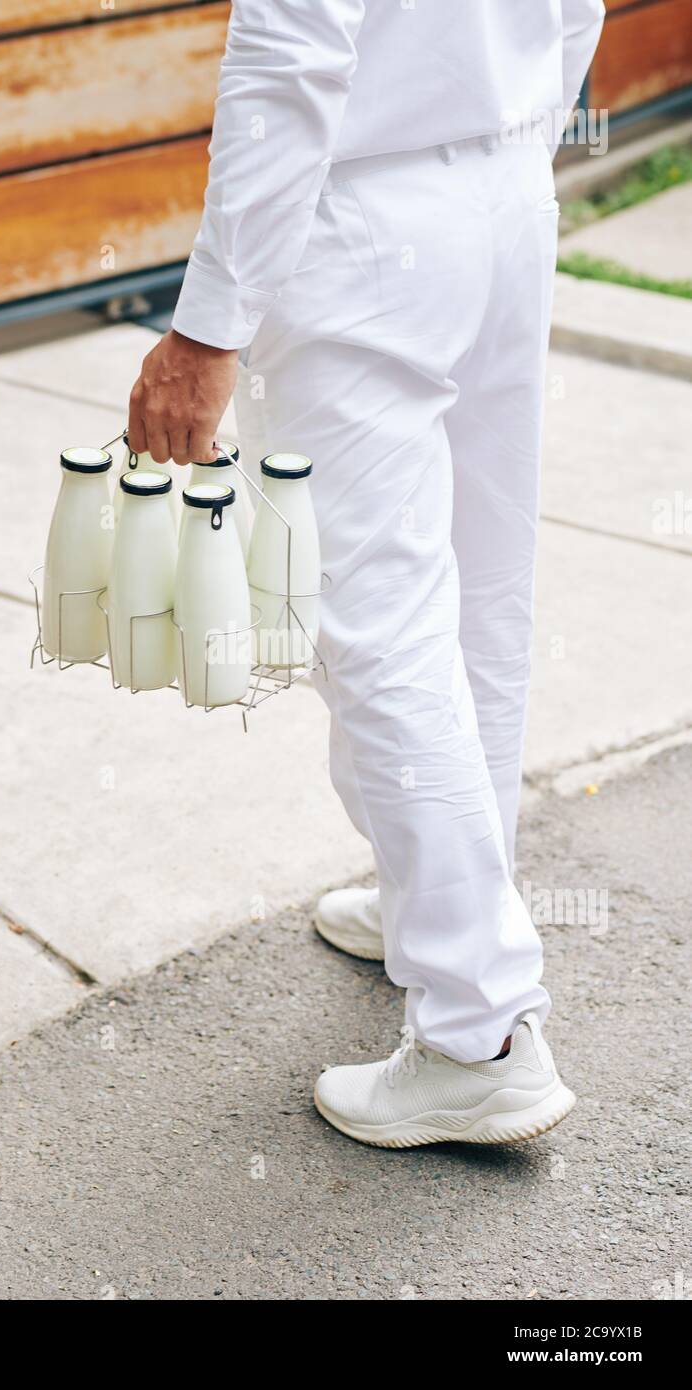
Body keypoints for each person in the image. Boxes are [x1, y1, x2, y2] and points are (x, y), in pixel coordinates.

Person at [127, 0, 605, 1148]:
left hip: (367, 215)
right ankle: (438, 903)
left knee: (378, 623)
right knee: (477, 587)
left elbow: (289, 54)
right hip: (501, 189)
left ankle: (474, 1033)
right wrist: (508, 146)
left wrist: (204, 330)